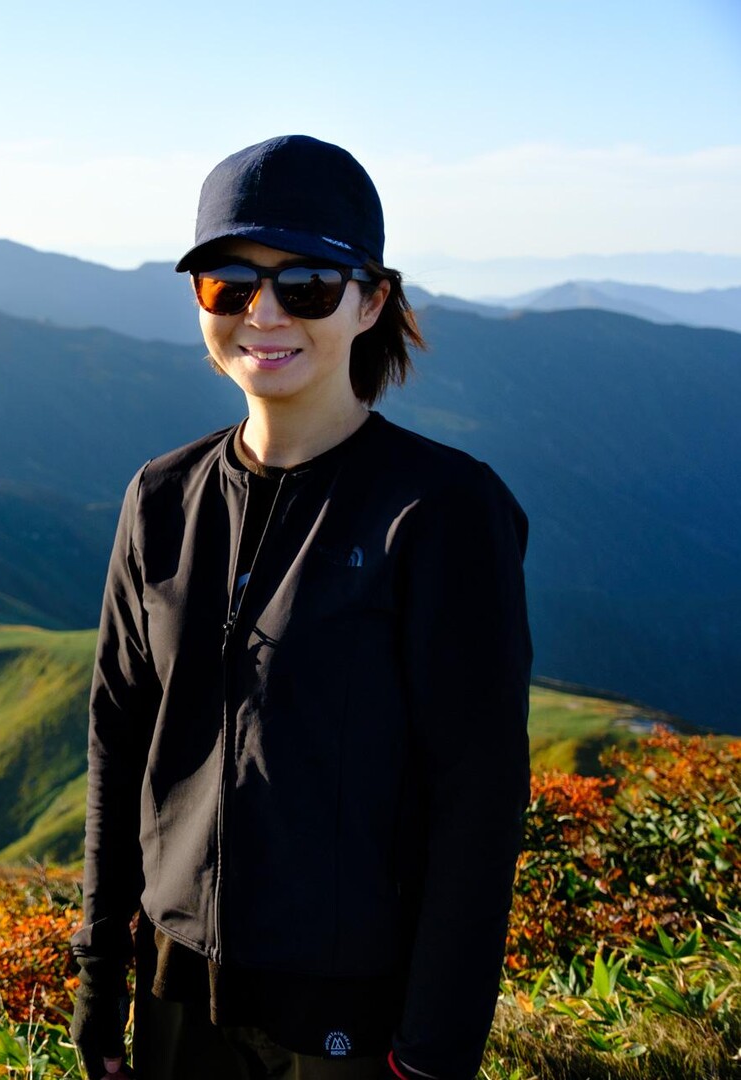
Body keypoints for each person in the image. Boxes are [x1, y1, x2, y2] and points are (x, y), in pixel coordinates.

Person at [68, 135, 532, 1080]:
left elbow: (478, 802)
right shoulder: (161, 499)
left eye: (308, 283)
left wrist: (434, 1053)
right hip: (172, 1001)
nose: (264, 313)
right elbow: (118, 743)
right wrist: (99, 983)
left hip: (353, 1030)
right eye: (228, 283)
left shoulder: (441, 512)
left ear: (371, 301)